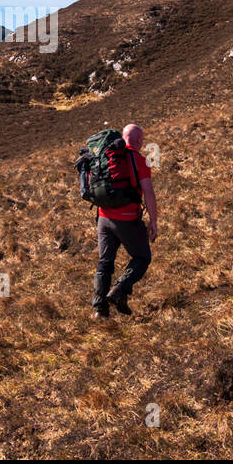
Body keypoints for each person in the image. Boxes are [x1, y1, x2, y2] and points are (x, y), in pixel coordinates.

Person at [93, 123, 158, 319]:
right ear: (138, 141)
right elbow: (148, 193)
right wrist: (153, 221)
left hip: (103, 218)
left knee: (105, 262)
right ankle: (119, 290)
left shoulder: (107, 157)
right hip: (127, 220)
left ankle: (99, 310)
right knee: (142, 257)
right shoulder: (139, 160)